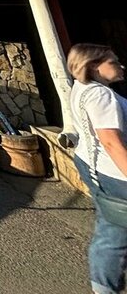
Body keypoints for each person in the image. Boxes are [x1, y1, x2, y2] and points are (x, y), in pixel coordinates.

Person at [68, 43, 127, 294]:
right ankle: (105, 288)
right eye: (113, 62)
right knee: (114, 235)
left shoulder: (82, 88)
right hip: (114, 172)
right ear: (93, 66)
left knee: (111, 226)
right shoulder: (102, 96)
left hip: (91, 163)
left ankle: (104, 285)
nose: (120, 65)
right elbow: (111, 142)